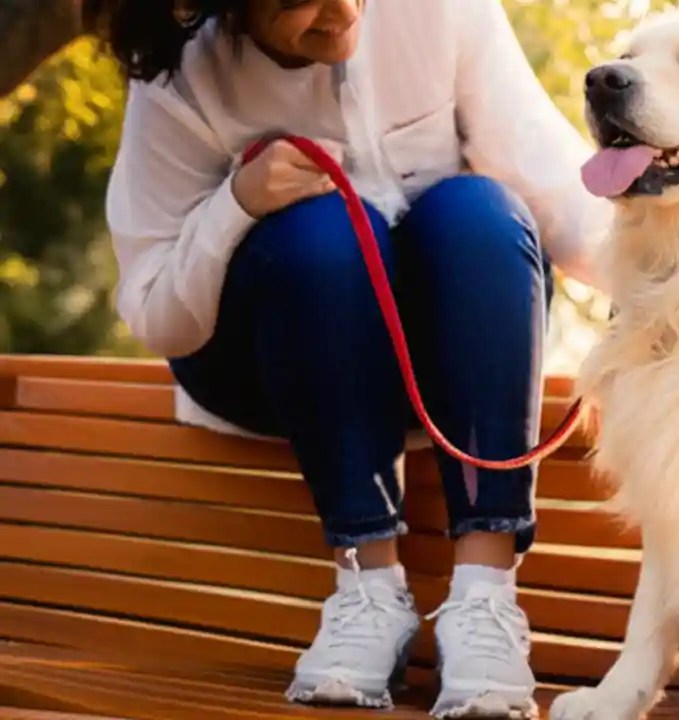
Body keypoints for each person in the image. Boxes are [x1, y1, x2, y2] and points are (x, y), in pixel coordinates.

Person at [93, 0, 611, 715]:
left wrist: (668, 281)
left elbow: (554, 185)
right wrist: (238, 202)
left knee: (480, 212)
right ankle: (368, 589)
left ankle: (486, 600)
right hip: (276, 368)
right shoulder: (180, 78)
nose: (342, 12)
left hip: (441, 373)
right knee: (322, 231)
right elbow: (155, 313)